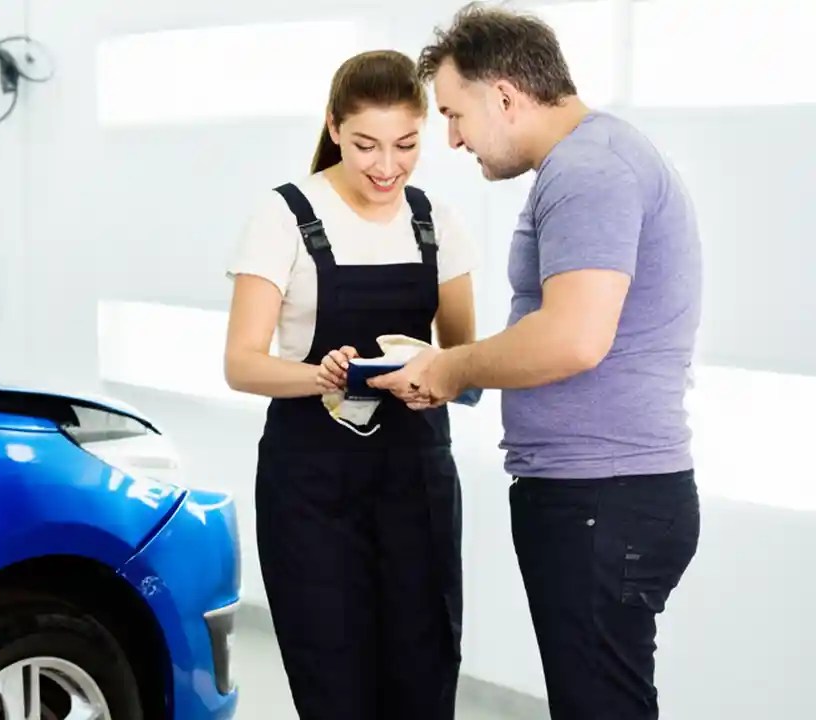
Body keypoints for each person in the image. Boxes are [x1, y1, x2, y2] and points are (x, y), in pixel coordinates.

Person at [372, 4, 703, 718]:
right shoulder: (597, 158)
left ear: (503, 95)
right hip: (605, 495)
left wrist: (451, 368)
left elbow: (574, 338)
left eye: (455, 114)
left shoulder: (589, 170)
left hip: (602, 497)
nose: (453, 139)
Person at [223, 49, 478, 719]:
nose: (387, 166)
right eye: (366, 144)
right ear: (334, 128)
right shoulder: (284, 216)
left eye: (406, 145)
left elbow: (467, 358)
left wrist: (437, 376)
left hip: (417, 486)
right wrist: (320, 375)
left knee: (424, 677)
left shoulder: (437, 222)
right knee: (333, 681)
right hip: (311, 491)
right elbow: (242, 363)